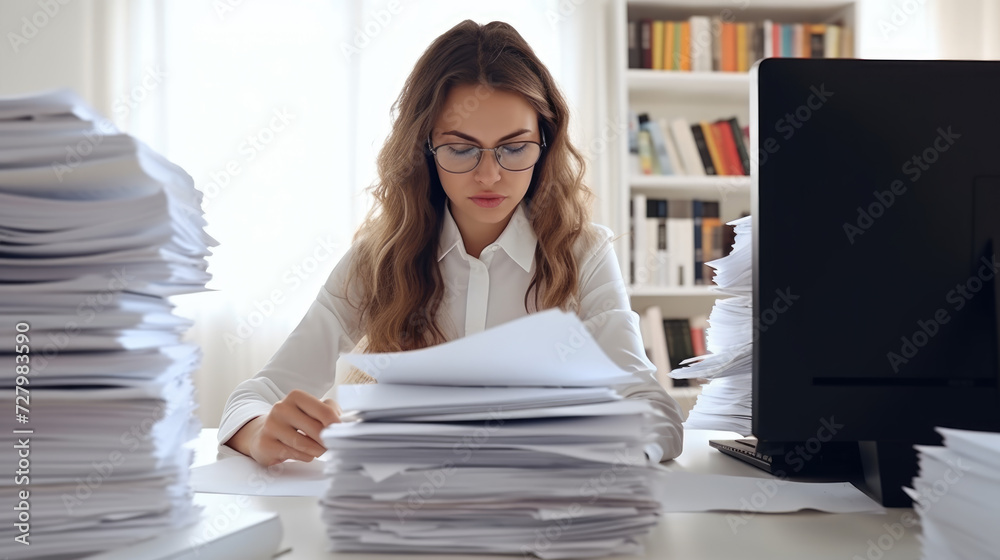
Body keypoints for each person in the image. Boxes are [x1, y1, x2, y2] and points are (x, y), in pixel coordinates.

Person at [219, 19, 684, 467]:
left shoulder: (583, 253)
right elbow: (252, 398)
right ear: (425, 149)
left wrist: (599, 449)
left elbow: (654, 411)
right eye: (461, 149)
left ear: (546, 143)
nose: (489, 175)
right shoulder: (377, 259)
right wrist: (261, 432)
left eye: (515, 147)